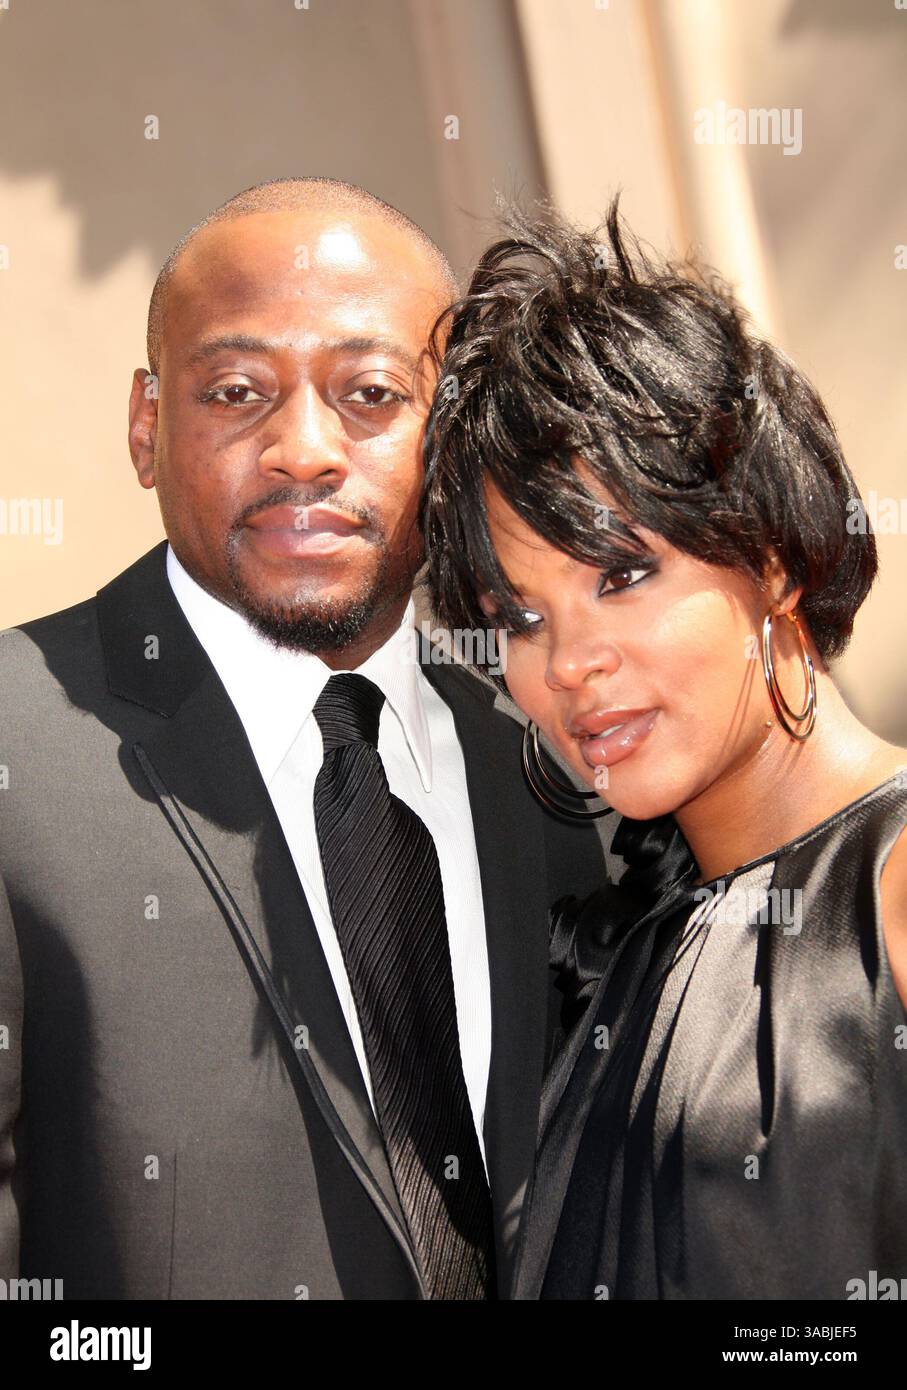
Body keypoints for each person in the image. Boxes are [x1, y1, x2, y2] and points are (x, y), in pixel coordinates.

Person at [0, 178, 608, 1300]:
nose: (303, 449)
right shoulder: (17, 751)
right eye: (237, 391)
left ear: (454, 435)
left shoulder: (563, 757)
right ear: (145, 426)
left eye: (370, 393)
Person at [421, 196, 907, 1300]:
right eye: (519, 618)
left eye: (621, 574)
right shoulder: (615, 959)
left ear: (770, 550)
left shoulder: (892, 889)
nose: (568, 663)